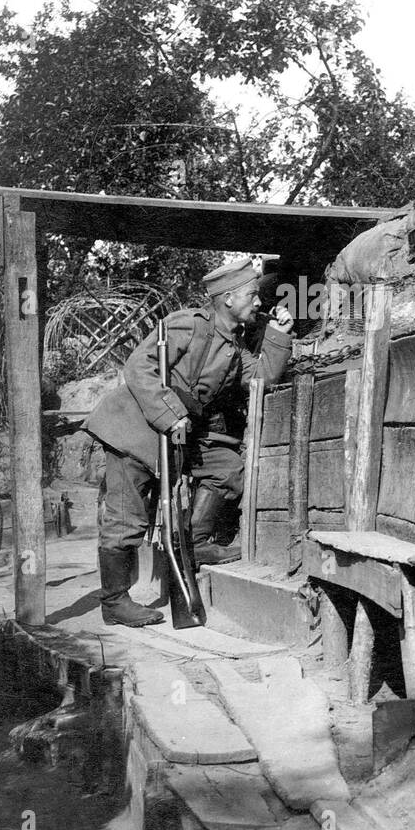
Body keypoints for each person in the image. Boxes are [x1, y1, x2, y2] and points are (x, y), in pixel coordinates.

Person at [84, 257, 294, 627]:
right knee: (126, 517)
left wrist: (278, 334)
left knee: (227, 470)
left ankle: (191, 545)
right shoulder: (187, 324)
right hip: (133, 432)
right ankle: (114, 602)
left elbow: (260, 379)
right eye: (251, 295)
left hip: (177, 437)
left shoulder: (233, 347)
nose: (258, 302)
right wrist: (169, 413)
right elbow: (138, 367)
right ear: (228, 299)